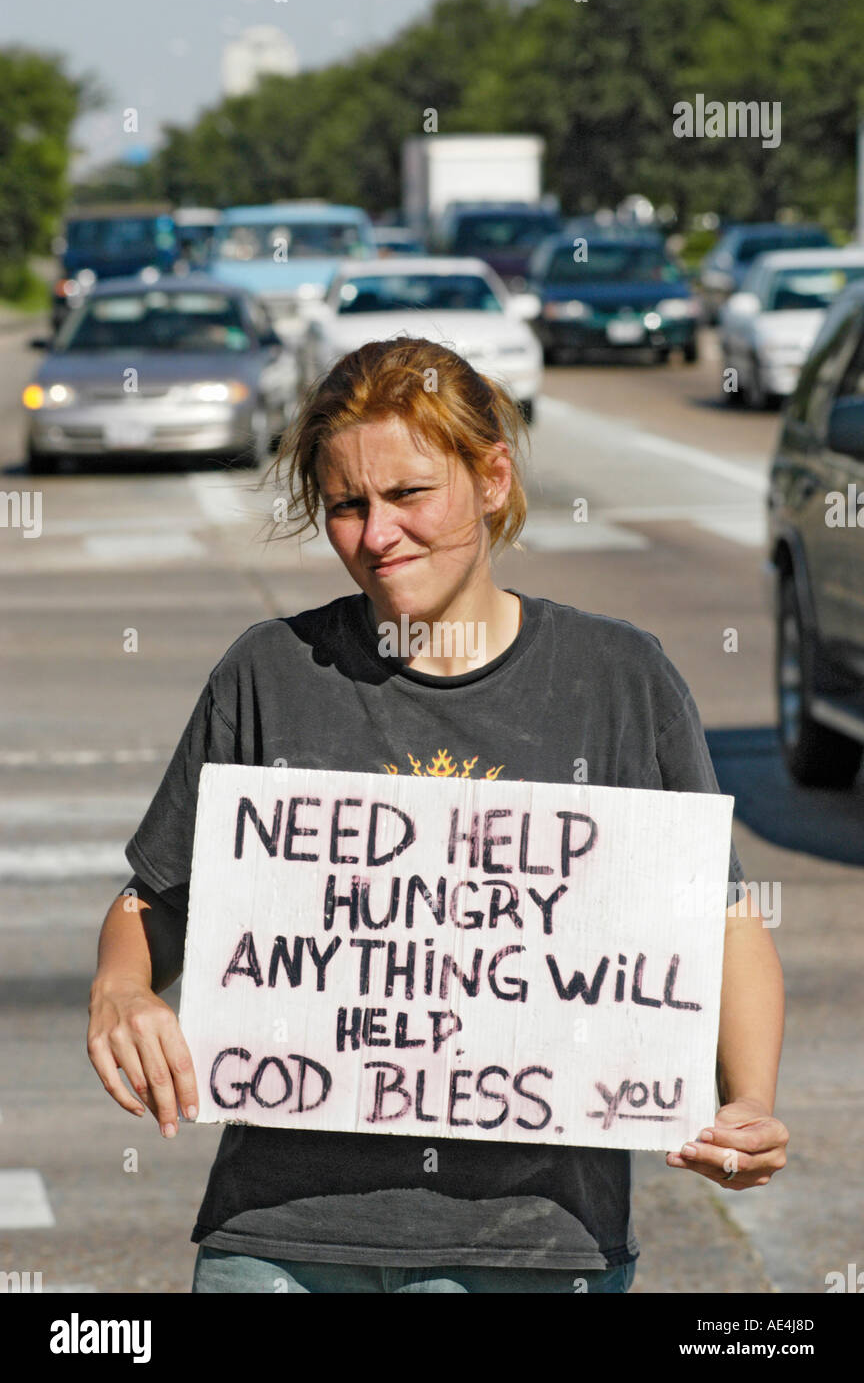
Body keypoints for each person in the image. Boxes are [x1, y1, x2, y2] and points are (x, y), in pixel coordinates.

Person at [87, 337, 788, 1295]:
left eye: (410, 494)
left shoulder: (618, 679)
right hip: (282, 1242)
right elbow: (154, 899)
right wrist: (122, 989)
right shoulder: (269, 674)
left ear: (492, 477)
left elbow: (719, 919)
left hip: (535, 1247)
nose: (377, 535)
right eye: (346, 505)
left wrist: (747, 1101)